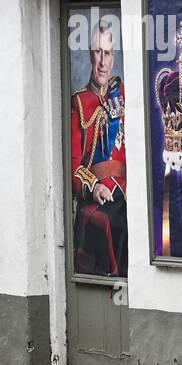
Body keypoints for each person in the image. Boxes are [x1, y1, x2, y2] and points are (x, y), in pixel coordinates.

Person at [69, 22, 127, 277]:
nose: (102, 61)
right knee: (114, 223)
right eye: (97, 52)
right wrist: (94, 188)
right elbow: (73, 164)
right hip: (99, 195)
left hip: (127, 188)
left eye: (107, 53)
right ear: (90, 55)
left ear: (114, 57)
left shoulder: (123, 93)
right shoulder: (80, 102)